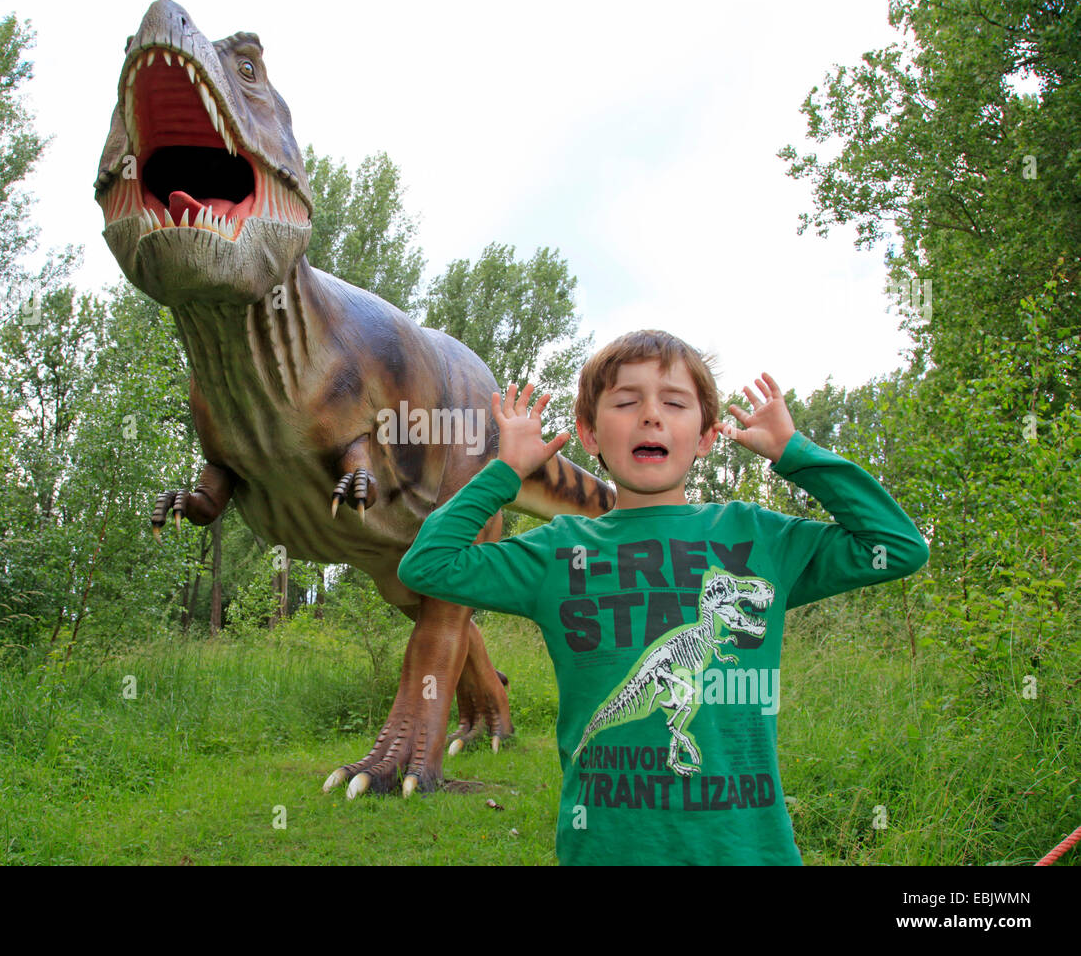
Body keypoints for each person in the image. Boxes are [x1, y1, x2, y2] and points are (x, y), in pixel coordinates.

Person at [396, 329, 929, 865]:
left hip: (749, 851)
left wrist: (796, 454)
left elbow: (897, 546)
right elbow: (428, 564)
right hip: (608, 850)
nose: (651, 415)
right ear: (590, 433)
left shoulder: (756, 535)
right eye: (626, 402)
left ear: (704, 436)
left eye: (674, 402)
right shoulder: (559, 550)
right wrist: (505, 472)